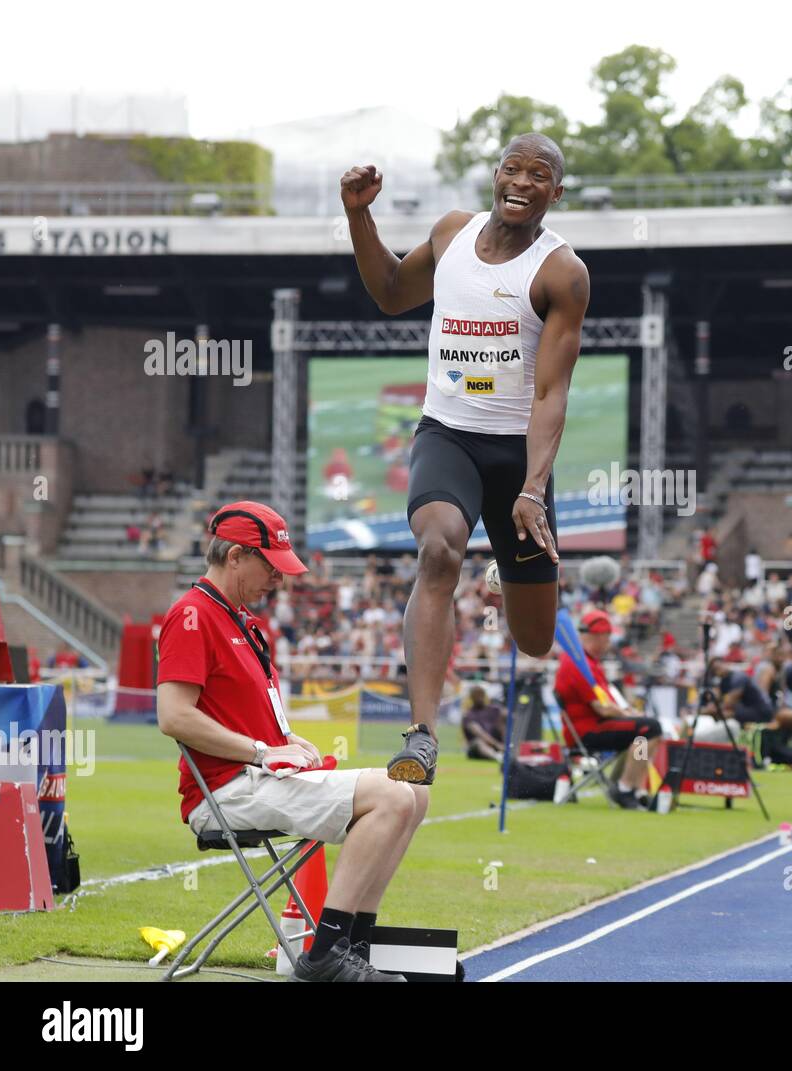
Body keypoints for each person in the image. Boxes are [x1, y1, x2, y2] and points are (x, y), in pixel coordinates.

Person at [341, 133, 590, 786]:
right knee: (439, 551)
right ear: (495, 177)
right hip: (447, 436)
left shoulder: (561, 273)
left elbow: (552, 391)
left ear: (555, 194)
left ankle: (507, 568)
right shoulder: (452, 233)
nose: (521, 181)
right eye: (512, 168)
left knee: (533, 639)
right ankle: (421, 735)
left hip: (518, 457)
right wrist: (359, 216)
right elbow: (393, 291)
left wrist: (534, 487)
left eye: (539, 175)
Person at [156, 502, 426, 982]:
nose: (278, 580)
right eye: (270, 567)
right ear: (235, 556)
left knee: (414, 793)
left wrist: (287, 742)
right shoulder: (193, 615)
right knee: (390, 795)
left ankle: (355, 948)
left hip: (255, 776)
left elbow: (249, 718)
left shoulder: (241, 619)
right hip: (223, 791)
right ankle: (325, 957)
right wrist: (263, 751)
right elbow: (174, 716)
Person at [553, 609, 661, 809]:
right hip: (588, 731)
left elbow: (607, 702)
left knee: (645, 730)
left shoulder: (586, 662)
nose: (608, 643)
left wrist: (628, 713)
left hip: (594, 726)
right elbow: (602, 709)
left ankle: (635, 788)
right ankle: (626, 787)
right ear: (598, 636)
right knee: (649, 729)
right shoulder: (577, 665)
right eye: (607, 637)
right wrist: (629, 714)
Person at [461, 684, 505, 761]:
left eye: (481, 694)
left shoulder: (494, 710)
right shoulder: (468, 715)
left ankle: (507, 752)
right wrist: (497, 745)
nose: (479, 698)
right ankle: (498, 757)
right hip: (477, 748)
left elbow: (502, 726)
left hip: (497, 744)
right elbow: (479, 733)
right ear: (472, 697)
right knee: (478, 742)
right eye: (476, 695)